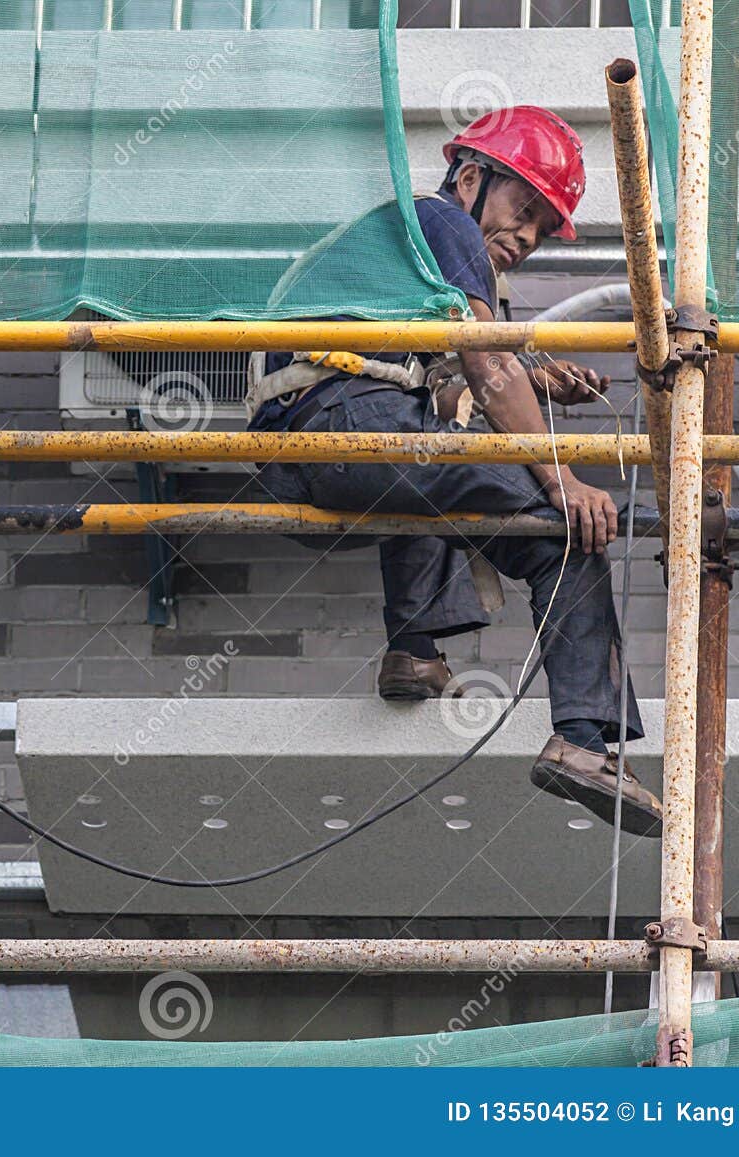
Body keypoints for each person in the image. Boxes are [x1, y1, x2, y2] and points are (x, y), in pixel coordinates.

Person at [251, 106, 661, 837]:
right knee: (561, 526)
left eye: (543, 227)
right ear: (470, 179)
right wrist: (561, 478)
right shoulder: (444, 221)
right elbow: (485, 363)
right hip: (349, 425)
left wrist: (533, 380)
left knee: (441, 461)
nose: (528, 236)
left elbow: (447, 377)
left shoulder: (402, 243)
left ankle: (413, 653)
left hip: (304, 449)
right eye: (524, 209)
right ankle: (583, 741)